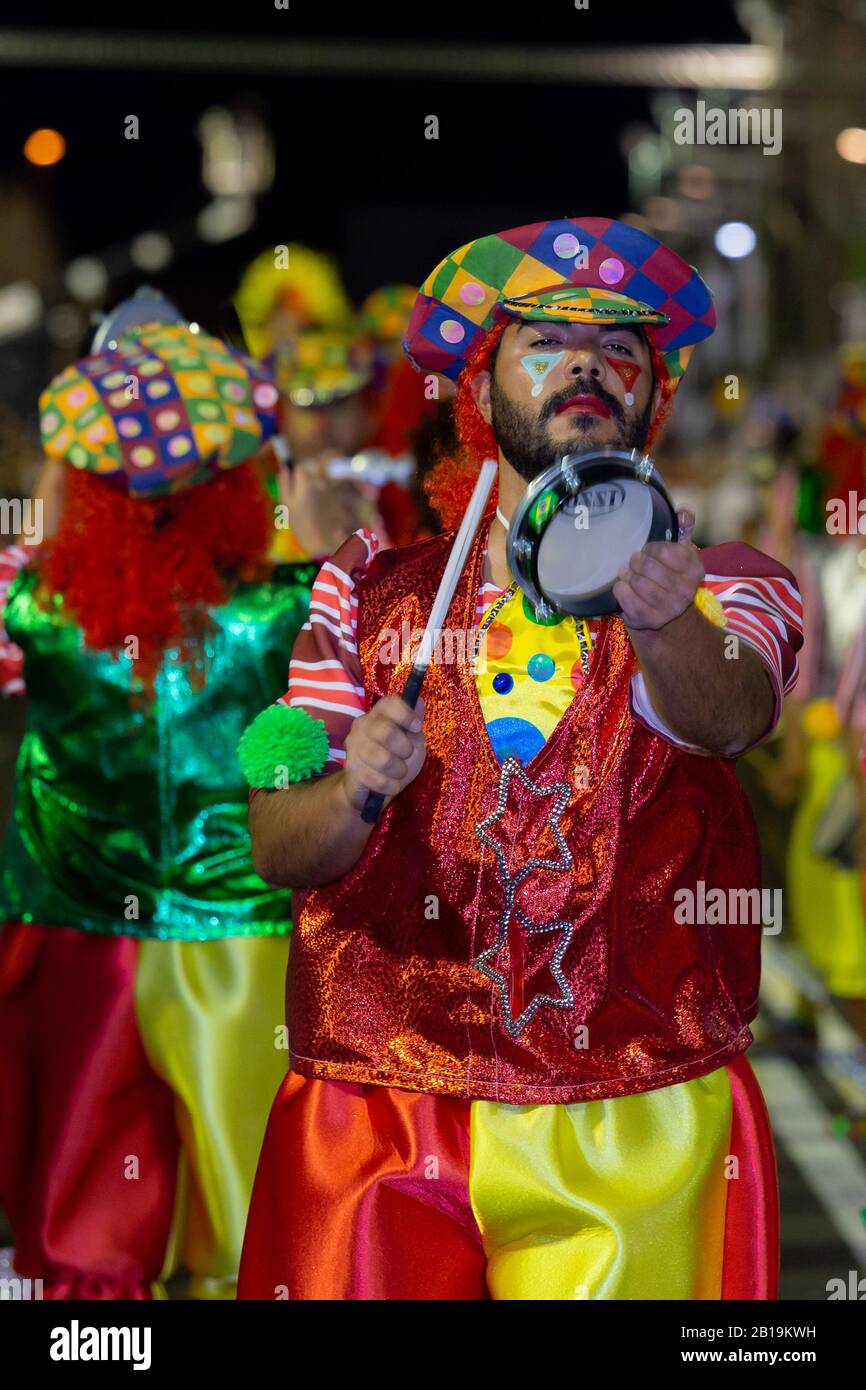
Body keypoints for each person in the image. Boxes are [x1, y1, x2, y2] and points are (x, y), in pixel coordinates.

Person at [238, 217, 803, 1301]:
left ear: (654, 396)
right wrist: (355, 784)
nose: (586, 364)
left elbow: (726, 715)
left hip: (628, 1119)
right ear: (478, 391)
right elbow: (276, 844)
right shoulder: (360, 592)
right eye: (542, 343)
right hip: (381, 1114)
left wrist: (658, 611)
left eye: (618, 350)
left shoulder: (727, 583)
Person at [0, 321, 315, 1299]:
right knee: (251, 1225)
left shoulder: (27, 597)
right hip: (230, 942)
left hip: (88, 942)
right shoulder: (297, 598)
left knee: (87, 1234)